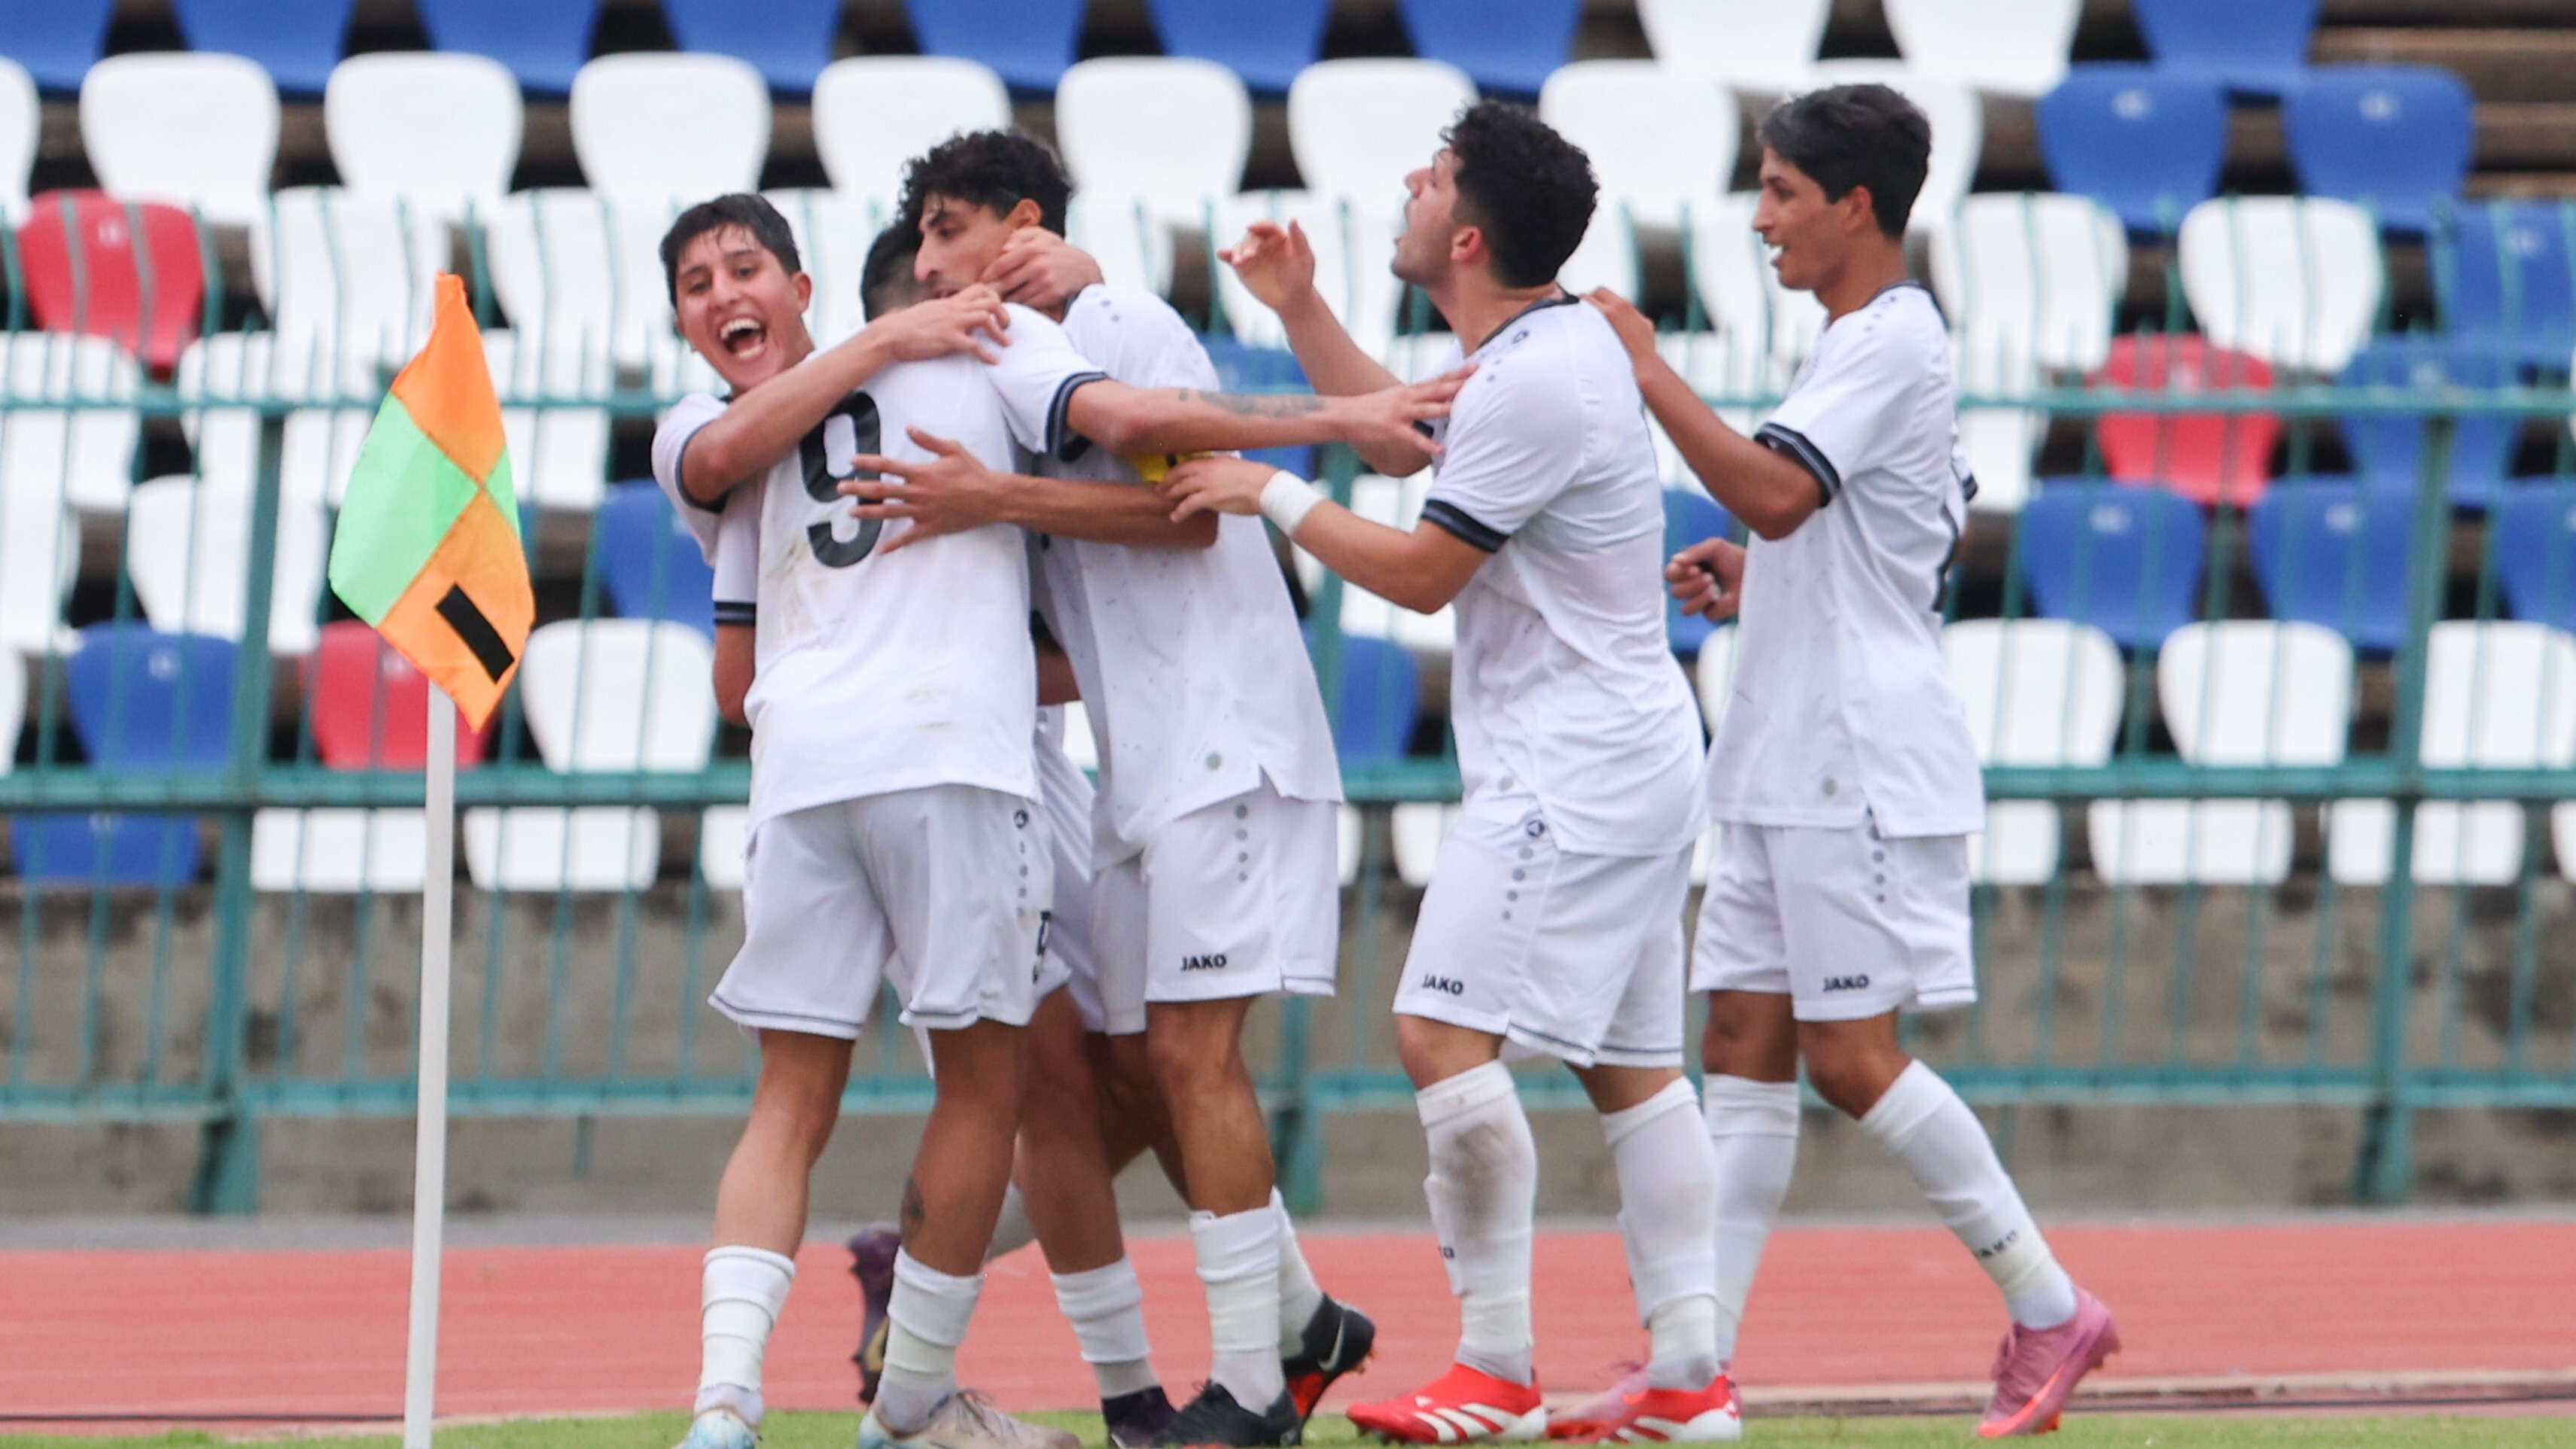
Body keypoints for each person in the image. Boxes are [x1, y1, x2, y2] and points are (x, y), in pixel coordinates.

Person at [652, 194, 1453, 1449]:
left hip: (830, 768)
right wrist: (1339, 418)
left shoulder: (747, 441)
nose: (722, 295)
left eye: (741, 269)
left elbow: (735, 672)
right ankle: (931, 1404)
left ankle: (723, 1407)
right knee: (1015, 1084)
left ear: (804, 285)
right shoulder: (966, 360)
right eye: (698, 282)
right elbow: (1140, 441)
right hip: (960, 769)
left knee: (883, 1089)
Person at [1159, 102, 1734, 1442]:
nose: (1409, 188)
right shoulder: (1540, 347)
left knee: (1437, 1031)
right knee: (1633, 1067)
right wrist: (1301, 309)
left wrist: (1268, 492)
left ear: (1465, 233)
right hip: (1628, 750)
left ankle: (1496, 1365)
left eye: (1429, 177)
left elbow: (1423, 575)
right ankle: (1689, 1371)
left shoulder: (1536, 372)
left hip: (1569, 768)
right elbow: (1403, 428)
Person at [841, 129, 1397, 1449]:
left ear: (1020, 226)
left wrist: (1337, 419)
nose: (929, 264)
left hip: (1225, 737)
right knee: (1148, 1067)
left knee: (1191, 1061)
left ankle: (1252, 1393)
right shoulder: (1020, 353)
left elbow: (1186, 501)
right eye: (916, 242)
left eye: (946, 230)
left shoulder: (1097, 321)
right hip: (1142, 767)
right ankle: (1298, 1322)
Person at [1586, 84, 2121, 1440]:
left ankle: (2049, 1304)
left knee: (1847, 1056)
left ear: (1854, 205)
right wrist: (1755, 570)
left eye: (1778, 191)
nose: (1759, 217)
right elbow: (1828, 531)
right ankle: (1690, 1371)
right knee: (1743, 1048)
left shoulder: (1888, 341)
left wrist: (1649, 368)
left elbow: (1777, 490)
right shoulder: (1853, 344)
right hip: (1786, 741)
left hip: (1857, 756)